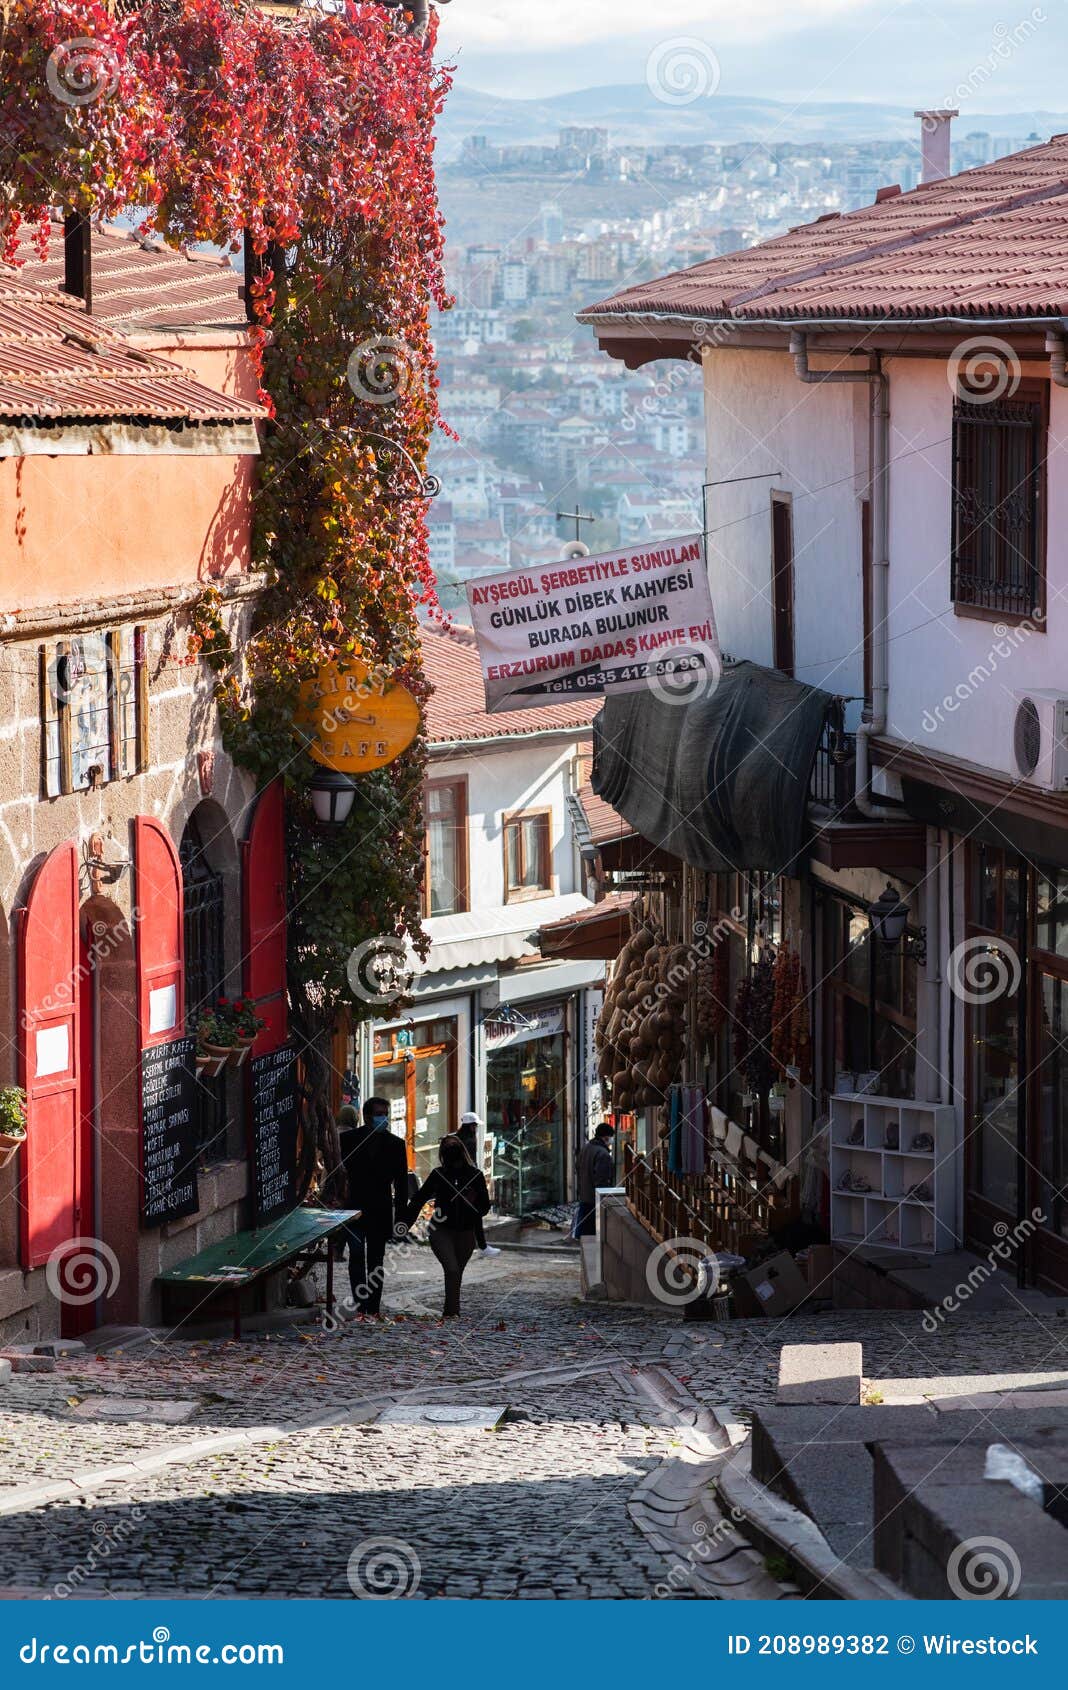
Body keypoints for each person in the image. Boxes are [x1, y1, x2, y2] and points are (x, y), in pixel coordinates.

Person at [338, 1096, 409, 1318]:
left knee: (376, 1260)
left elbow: (401, 1184)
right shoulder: (348, 1140)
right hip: (354, 1208)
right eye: (379, 1114)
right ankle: (360, 1303)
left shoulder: (396, 1144)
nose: (383, 1118)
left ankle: (373, 1306)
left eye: (385, 1114)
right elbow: (339, 1174)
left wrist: (401, 1218)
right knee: (356, 1254)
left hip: (380, 1210)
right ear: (367, 1116)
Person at [407, 1135, 491, 1318]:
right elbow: (419, 1199)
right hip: (440, 1229)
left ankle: (451, 1310)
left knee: (456, 1272)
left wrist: (472, 1203)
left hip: (466, 1231)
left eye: (453, 1146)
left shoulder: (475, 1175)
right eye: (447, 1147)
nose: (451, 1151)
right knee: (452, 1269)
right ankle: (452, 1313)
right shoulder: (438, 1174)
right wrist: (404, 1223)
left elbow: (485, 1207)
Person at [457, 1111, 500, 1258]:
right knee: (473, 1214)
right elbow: (469, 1163)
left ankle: (478, 1246)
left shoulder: (458, 1138)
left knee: (469, 1214)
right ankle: (481, 1246)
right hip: (467, 1183)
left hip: (462, 1182)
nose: (476, 1128)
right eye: (475, 1126)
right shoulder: (468, 1140)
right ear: (470, 1126)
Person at [574, 1122, 615, 1238]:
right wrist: (605, 1199)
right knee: (591, 1234)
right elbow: (602, 1181)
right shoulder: (603, 1154)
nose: (612, 1140)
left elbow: (577, 1168)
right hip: (594, 1200)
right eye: (611, 1137)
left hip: (584, 1195)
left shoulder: (585, 1148)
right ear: (606, 1137)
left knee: (583, 1232)